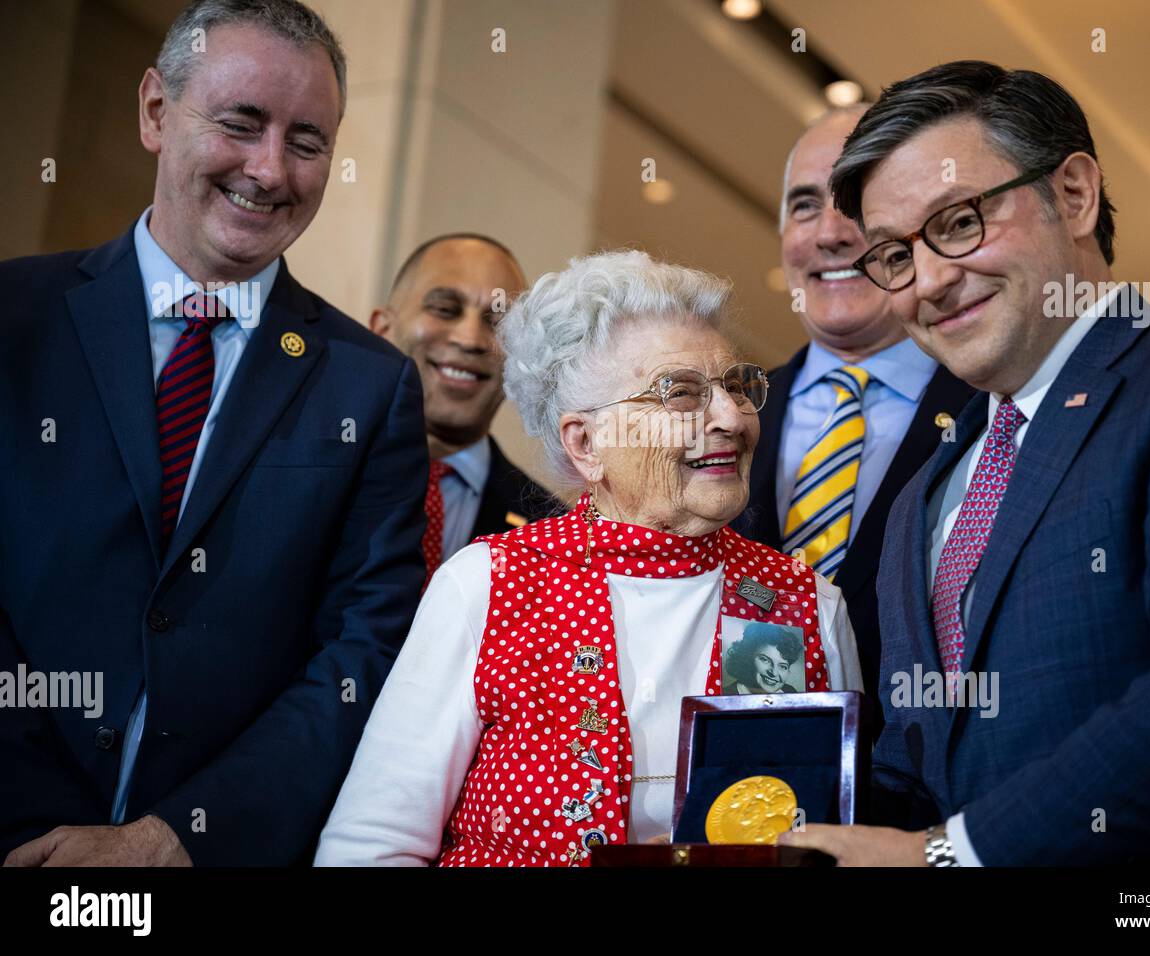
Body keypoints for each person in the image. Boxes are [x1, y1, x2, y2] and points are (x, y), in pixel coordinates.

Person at [780, 60, 1150, 866]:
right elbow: (915, 770)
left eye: (957, 222)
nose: (931, 281)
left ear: (1075, 194)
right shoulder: (924, 492)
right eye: (894, 255)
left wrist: (948, 856)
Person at [0, 0, 428, 866]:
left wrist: (175, 839)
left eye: (306, 142)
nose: (269, 170)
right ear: (157, 111)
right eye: (241, 123)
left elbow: (360, 651)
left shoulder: (371, 385)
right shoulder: (15, 318)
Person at [314, 250, 865, 866]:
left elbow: (835, 851)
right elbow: (372, 845)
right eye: (680, 394)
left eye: (737, 387)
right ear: (586, 444)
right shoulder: (489, 585)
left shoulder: (806, 606)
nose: (734, 418)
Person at [733, 106, 972, 742]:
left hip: (919, 803)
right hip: (732, 796)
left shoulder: (990, 410)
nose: (831, 234)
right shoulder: (725, 413)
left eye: (855, 203)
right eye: (805, 206)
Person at [370, 233, 559, 589]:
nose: (470, 339)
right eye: (445, 309)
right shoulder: (311, 468)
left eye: (496, 322)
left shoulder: (551, 534)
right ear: (383, 329)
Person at [722, 622, 803, 694]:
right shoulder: (725, 695)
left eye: (783, 666)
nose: (774, 673)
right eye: (765, 660)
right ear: (746, 657)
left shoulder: (789, 691)